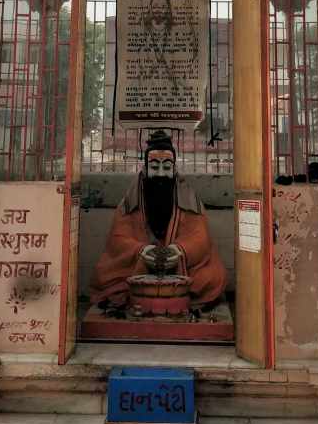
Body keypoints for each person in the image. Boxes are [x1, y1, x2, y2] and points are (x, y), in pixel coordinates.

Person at [90, 130, 226, 312]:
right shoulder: (131, 200)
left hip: (179, 262)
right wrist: (142, 250)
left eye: (167, 167)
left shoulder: (188, 197)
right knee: (104, 275)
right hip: (141, 262)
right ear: (145, 169)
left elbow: (201, 237)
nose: (161, 173)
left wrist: (179, 251)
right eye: (154, 167)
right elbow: (118, 237)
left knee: (213, 276)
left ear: (174, 169)